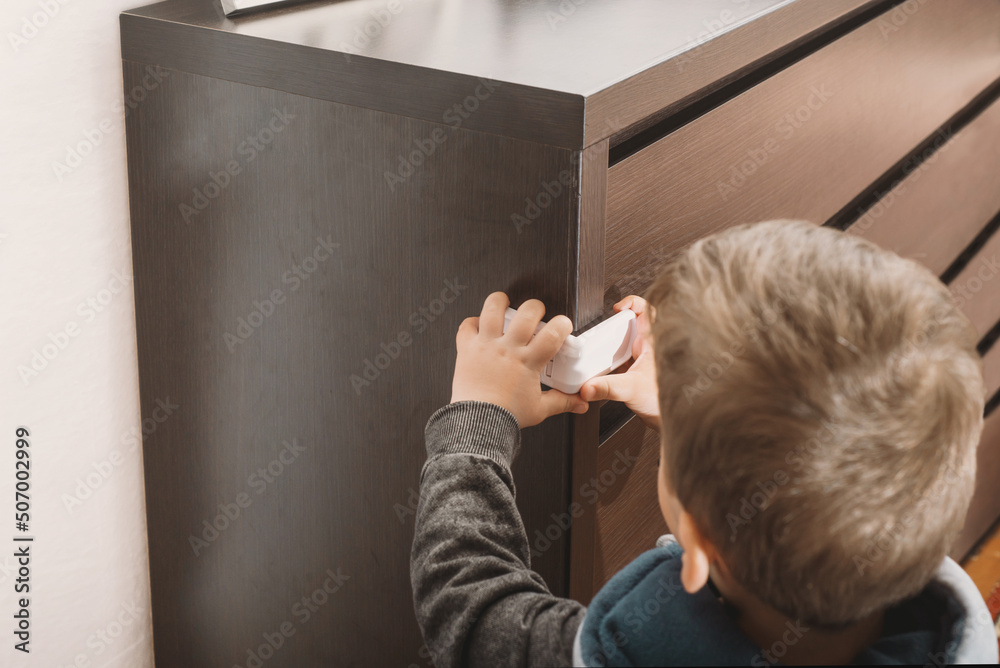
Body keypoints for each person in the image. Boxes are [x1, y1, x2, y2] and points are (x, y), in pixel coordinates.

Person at [410, 219, 999, 666]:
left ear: (694, 541)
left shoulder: (636, 649)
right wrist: (700, 414)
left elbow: (470, 608)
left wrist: (479, 419)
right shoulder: (951, 625)